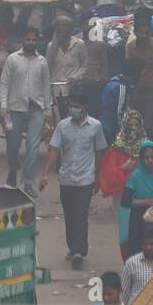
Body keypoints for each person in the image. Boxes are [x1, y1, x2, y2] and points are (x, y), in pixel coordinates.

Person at [39, 93, 108, 270]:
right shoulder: (62, 126)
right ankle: (73, 246)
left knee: (81, 213)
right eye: (71, 106)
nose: (73, 109)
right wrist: (45, 173)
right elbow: (54, 150)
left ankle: (79, 250)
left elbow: (99, 153)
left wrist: (98, 176)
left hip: (85, 178)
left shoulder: (96, 127)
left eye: (76, 105)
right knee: (69, 214)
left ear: (84, 106)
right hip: (66, 177)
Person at [0, 28, 51, 191]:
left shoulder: (42, 61)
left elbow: (46, 87)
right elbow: (4, 83)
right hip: (14, 109)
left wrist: (48, 110)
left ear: (37, 42)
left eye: (33, 40)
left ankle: (28, 182)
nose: (30, 43)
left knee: (33, 147)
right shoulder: (12, 59)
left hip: (36, 109)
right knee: (13, 145)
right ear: (23, 41)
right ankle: (13, 168)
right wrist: (3, 106)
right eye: (28, 40)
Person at [118, 140, 153, 260]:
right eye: (146, 158)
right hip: (139, 220)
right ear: (141, 159)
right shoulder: (135, 176)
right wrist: (148, 202)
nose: (150, 161)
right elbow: (126, 201)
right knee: (139, 254)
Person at [126, 7, 153, 92]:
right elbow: (129, 65)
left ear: (150, 31)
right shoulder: (130, 45)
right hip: (137, 87)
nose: (144, 36)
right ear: (135, 32)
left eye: (147, 33)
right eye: (141, 33)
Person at [46, 14, 88, 103]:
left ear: (70, 28)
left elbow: (85, 65)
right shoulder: (51, 46)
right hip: (55, 90)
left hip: (73, 88)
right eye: (59, 25)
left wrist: (75, 77)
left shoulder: (79, 44)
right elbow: (47, 68)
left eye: (65, 25)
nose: (61, 28)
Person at [99, 59, 142, 145]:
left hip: (105, 125)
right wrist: (123, 134)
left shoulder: (112, 82)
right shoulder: (121, 87)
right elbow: (119, 113)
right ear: (134, 74)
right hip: (111, 130)